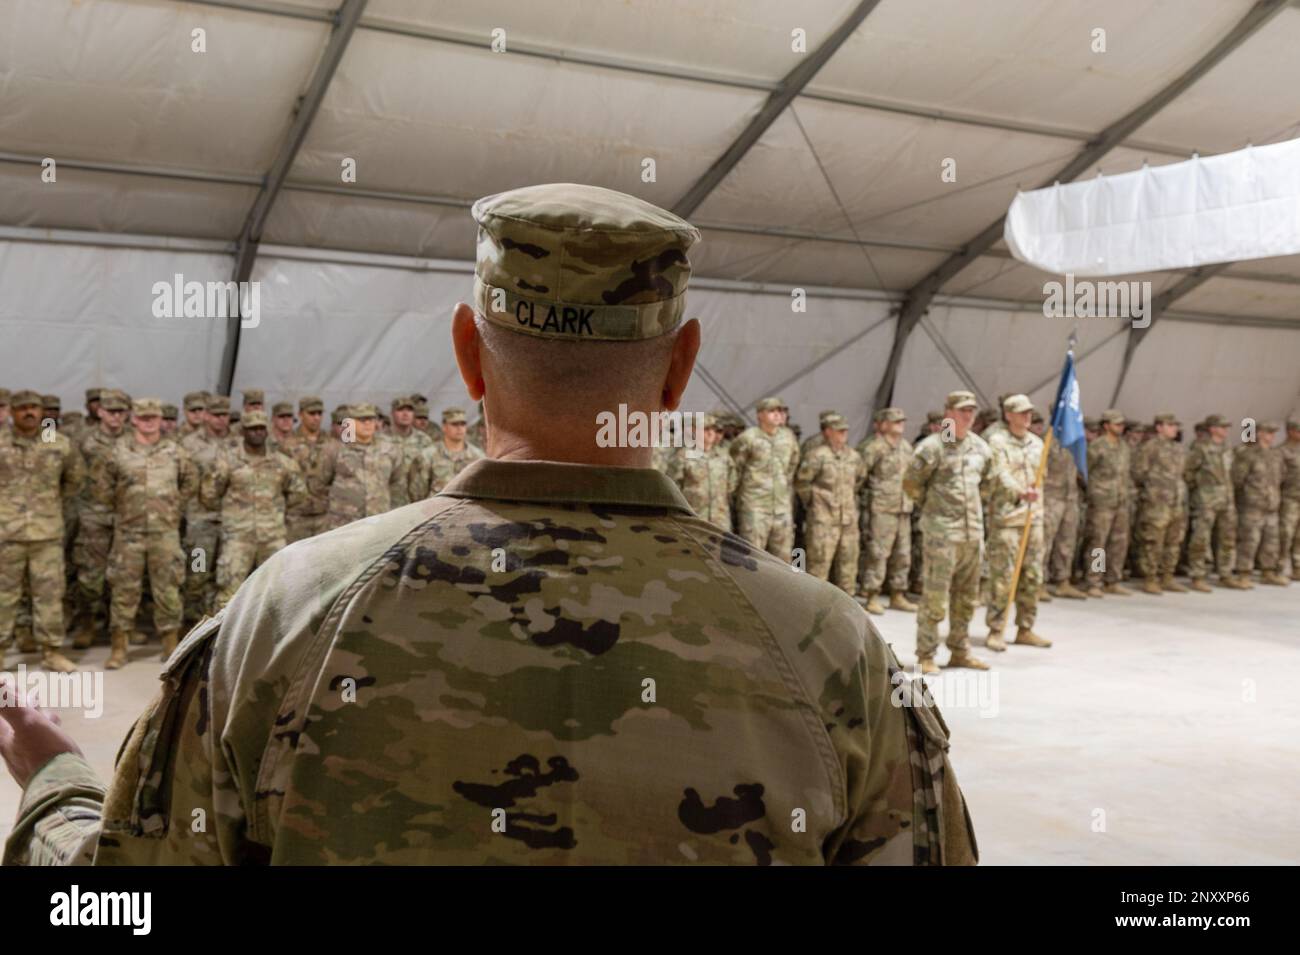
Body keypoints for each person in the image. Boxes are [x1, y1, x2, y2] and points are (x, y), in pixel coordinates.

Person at [0, 183, 975, 867]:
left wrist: (55, 784)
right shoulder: (830, 645)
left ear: (468, 354)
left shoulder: (289, 612)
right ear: (678, 370)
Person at [93, 398, 197, 667]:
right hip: (129, 534)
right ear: (134, 419)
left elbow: (190, 482)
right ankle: (119, 648)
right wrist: (125, 508)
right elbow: (103, 488)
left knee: (168, 589)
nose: (149, 421)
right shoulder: (118, 452)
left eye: (154, 417)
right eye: (144, 417)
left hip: (165, 533)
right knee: (124, 589)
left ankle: (170, 645)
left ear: (161, 419)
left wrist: (171, 507)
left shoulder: (175, 451)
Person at [903, 391, 994, 674]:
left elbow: (988, 486)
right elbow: (911, 484)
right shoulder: (933, 447)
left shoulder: (980, 448)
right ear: (948, 412)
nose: (968, 416)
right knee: (935, 596)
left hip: (972, 535)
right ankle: (926, 654)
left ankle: (959, 650)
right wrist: (936, 511)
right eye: (962, 410)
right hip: (942, 535)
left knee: (967, 598)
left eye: (971, 411)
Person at [0, 390, 84, 672]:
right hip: (5, 534)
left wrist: (48, 505)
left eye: (34, 407)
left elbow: (74, 481)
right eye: (22, 408)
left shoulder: (57, 444)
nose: (29, 412)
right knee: (3, 595)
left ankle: (52, 652)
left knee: (49, 595)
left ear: (42, 411)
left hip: (46, 534)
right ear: (11, 412)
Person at [201, 410, 306, 609]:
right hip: (237, 538)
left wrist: (274, 511)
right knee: (228, 591)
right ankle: (220, 638)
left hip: (272, 536)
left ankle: (274, 638)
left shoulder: (282, 461)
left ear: (267, 431)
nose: (257, 433)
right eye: (252, 429)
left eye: (261, 428)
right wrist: (233, 515)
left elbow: (298, 493)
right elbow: (209, 494)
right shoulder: (228, 460)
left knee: (279, 590)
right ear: (243, 431)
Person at [982, 395, 1050, 650]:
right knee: (1003, 576)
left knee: (1033, 574)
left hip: (1033, 517)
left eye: (1029, 412)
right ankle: (996, 629)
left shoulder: (1037, 443)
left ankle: (1026, 627)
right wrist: (1022, 491)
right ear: (1008, 415)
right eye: (1021, 412)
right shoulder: (997, 442)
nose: (1027, 416)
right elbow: (999, 475)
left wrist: (1034, 494)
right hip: (1008, 518)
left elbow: (1042, 475)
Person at [794, 413, 863, 594]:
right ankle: (815, 606)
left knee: (848, 564)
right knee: (819, 564)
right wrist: (815, 504)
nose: (843, 434)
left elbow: (859, 480)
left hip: (847, 519)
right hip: (823, 520)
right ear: (827, 432)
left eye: (845, 430)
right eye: (838, 431)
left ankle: (847, 606)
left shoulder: (853, 456)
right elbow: (802, 483)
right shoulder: (817, 456)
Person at [855, 408, 915, 615]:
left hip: (903, 507)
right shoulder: (874, 448)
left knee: (903, 552)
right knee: (878, 553)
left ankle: (898, 593)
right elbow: (859, 477)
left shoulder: (906, 447)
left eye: (902, 421)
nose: (900, 424)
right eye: (895, 421)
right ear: (883, 424)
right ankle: (872, 594)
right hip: (881, 508)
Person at [730, 396, 800, 560]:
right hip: (755, 508)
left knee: (783, 560)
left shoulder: (788, 438)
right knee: (752, 557)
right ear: (760, 415)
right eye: (771, 411)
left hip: (781, 508)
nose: (777, 414)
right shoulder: (748, 438)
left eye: (779, 411)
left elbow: (792, 466)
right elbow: (734, 469)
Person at [1185, 413, 1246, 591]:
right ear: (1212, 429)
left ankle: (1225, 574)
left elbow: (1232, 473)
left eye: (1227, 427)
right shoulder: (1200, 448)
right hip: (1206, 502)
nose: (1226, 430)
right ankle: (1198, 575)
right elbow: (1188, 472)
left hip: (1227, 500)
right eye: (1222, 427)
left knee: (1228, 538)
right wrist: (1202, 490)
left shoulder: (1227, 448)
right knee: (1201, 538)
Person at [1082, 409, 1133, 597]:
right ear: (1106, 426)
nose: (1121, 427)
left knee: (1119, 542)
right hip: (1102, 501)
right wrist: (1095, 490)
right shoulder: (1097, 446)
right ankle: (1094, 580)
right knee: (1098, 543)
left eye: (1121, 424)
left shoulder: (1124, 446)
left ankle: (1113, 579)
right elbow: (1085, 471)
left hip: (1120, 500)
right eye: (1117, 423)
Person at [1233, 422, 1287, 586]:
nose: (1271, 436)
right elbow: (1238, 479)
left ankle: (1268, 571)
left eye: (1273, 433)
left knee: (1271, 541)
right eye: (1268, 432)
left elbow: (1281, 477)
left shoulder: (1276, 454)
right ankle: (1244, 573)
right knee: (1249, 541)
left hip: (1271, 505)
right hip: (1253, 506)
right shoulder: (1248, 454)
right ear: (1259, 434)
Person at [664, 413, 735, 530]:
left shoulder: (724, 456)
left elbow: (732, 484)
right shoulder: (683, 456)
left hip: (720, 518)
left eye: (714, 429)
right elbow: (672, 487)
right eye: (706, 429)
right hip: (694, 517)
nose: (711, 433)